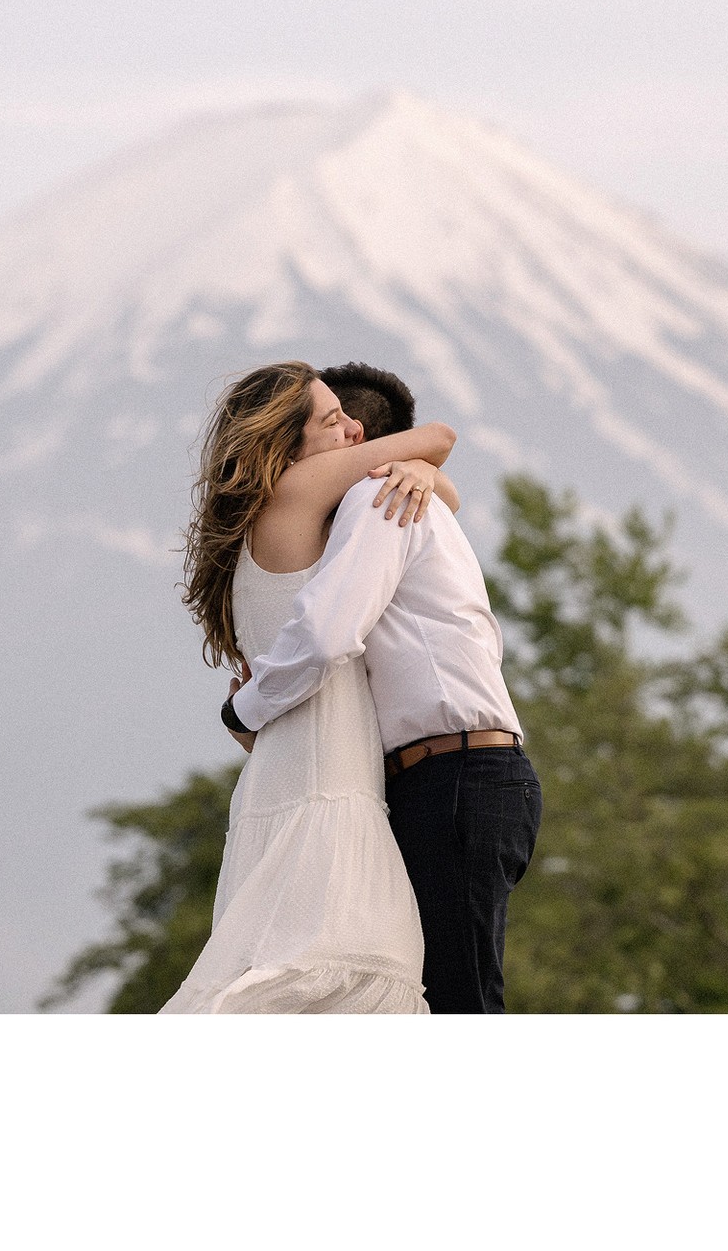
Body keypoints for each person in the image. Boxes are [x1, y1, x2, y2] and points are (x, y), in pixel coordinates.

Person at [224, 361, 543, 1014]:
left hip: (456, 774)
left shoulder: (378, 498)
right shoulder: (399, 498)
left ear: (362, 442)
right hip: (446, 775)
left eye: (342, 422)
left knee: (458, 1001)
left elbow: (324, 634)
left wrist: (243, 710)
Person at [160, 360, 458, 1013]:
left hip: (288, 783)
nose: (354, 427)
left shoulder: (264, 522)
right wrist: (424, 465)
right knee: (336, 976)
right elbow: (436, 435)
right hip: (329, 787)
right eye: (332, 420)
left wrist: (427, 477)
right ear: (286, 445)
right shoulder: (306, 485)